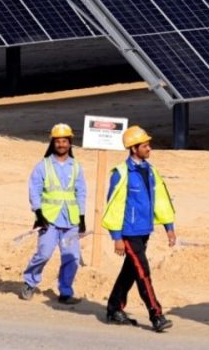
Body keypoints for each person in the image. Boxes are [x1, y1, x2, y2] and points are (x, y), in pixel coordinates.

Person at [102, 125, 176, 333]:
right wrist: (116, 236)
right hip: (128, 232)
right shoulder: (121, 173)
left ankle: (114, 308)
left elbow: (161, 200)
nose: (149, 148)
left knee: (130, 272)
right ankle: (156, 314)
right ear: (133, 149)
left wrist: (169, 227)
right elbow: (114, 206)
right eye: (145, 145)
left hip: (145, 231)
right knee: (143, 272)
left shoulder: (150, 171)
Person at [20, 123, 87, 304]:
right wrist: (38, 213)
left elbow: (81, 192)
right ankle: (29, 281)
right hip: (49, 219)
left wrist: (82, 218)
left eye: (65, 141)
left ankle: (65, 291)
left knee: (71, 257)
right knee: (44, 254)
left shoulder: (76, 167)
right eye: (58, 141)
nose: (61, 144)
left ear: (70, 143)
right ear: (53, 143)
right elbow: (34, 190)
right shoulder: (43, 166)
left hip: (71, 220)